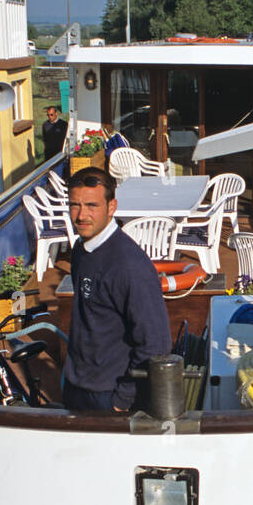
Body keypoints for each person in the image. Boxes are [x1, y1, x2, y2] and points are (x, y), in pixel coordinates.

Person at [63, 167, 170, 412]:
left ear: (112, 207)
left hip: (108, 395)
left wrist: (122, 400)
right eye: (75, 205)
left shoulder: (129, 266)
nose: (81, 215)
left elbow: (156, 343)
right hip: (77, 385)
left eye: (92, 206)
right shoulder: (80, 249)